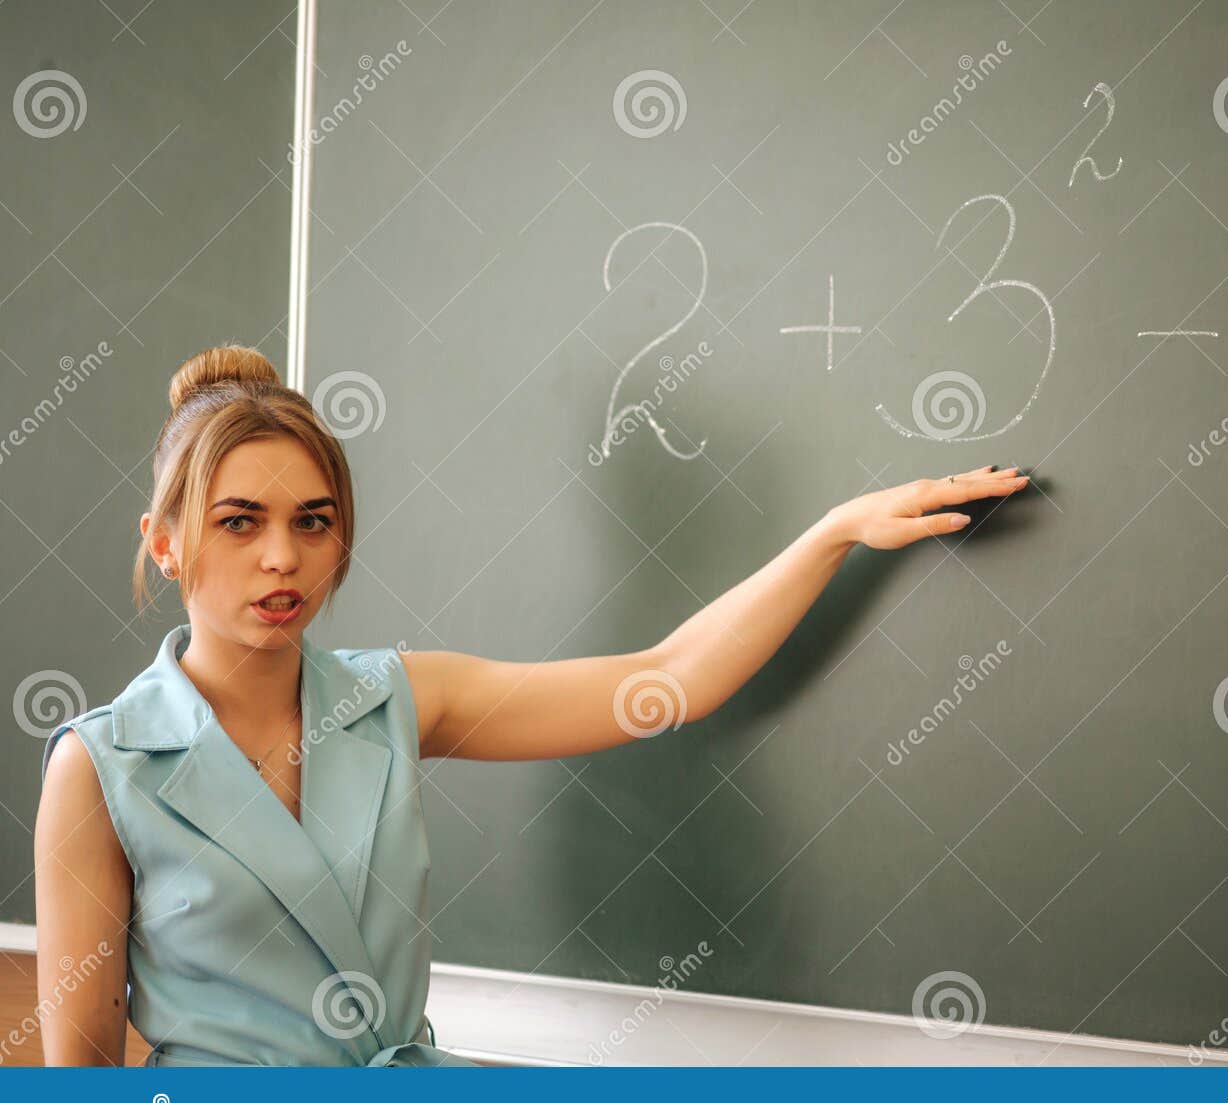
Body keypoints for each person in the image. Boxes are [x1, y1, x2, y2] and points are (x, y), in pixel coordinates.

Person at [33, 344, 1030, 1066]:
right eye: (238, 522)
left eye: (314, 521)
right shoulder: (103, 766)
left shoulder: (396, 698)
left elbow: (673, 677)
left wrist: (833, 533)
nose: (282, 556)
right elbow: (77, 1097)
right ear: (164, 542)